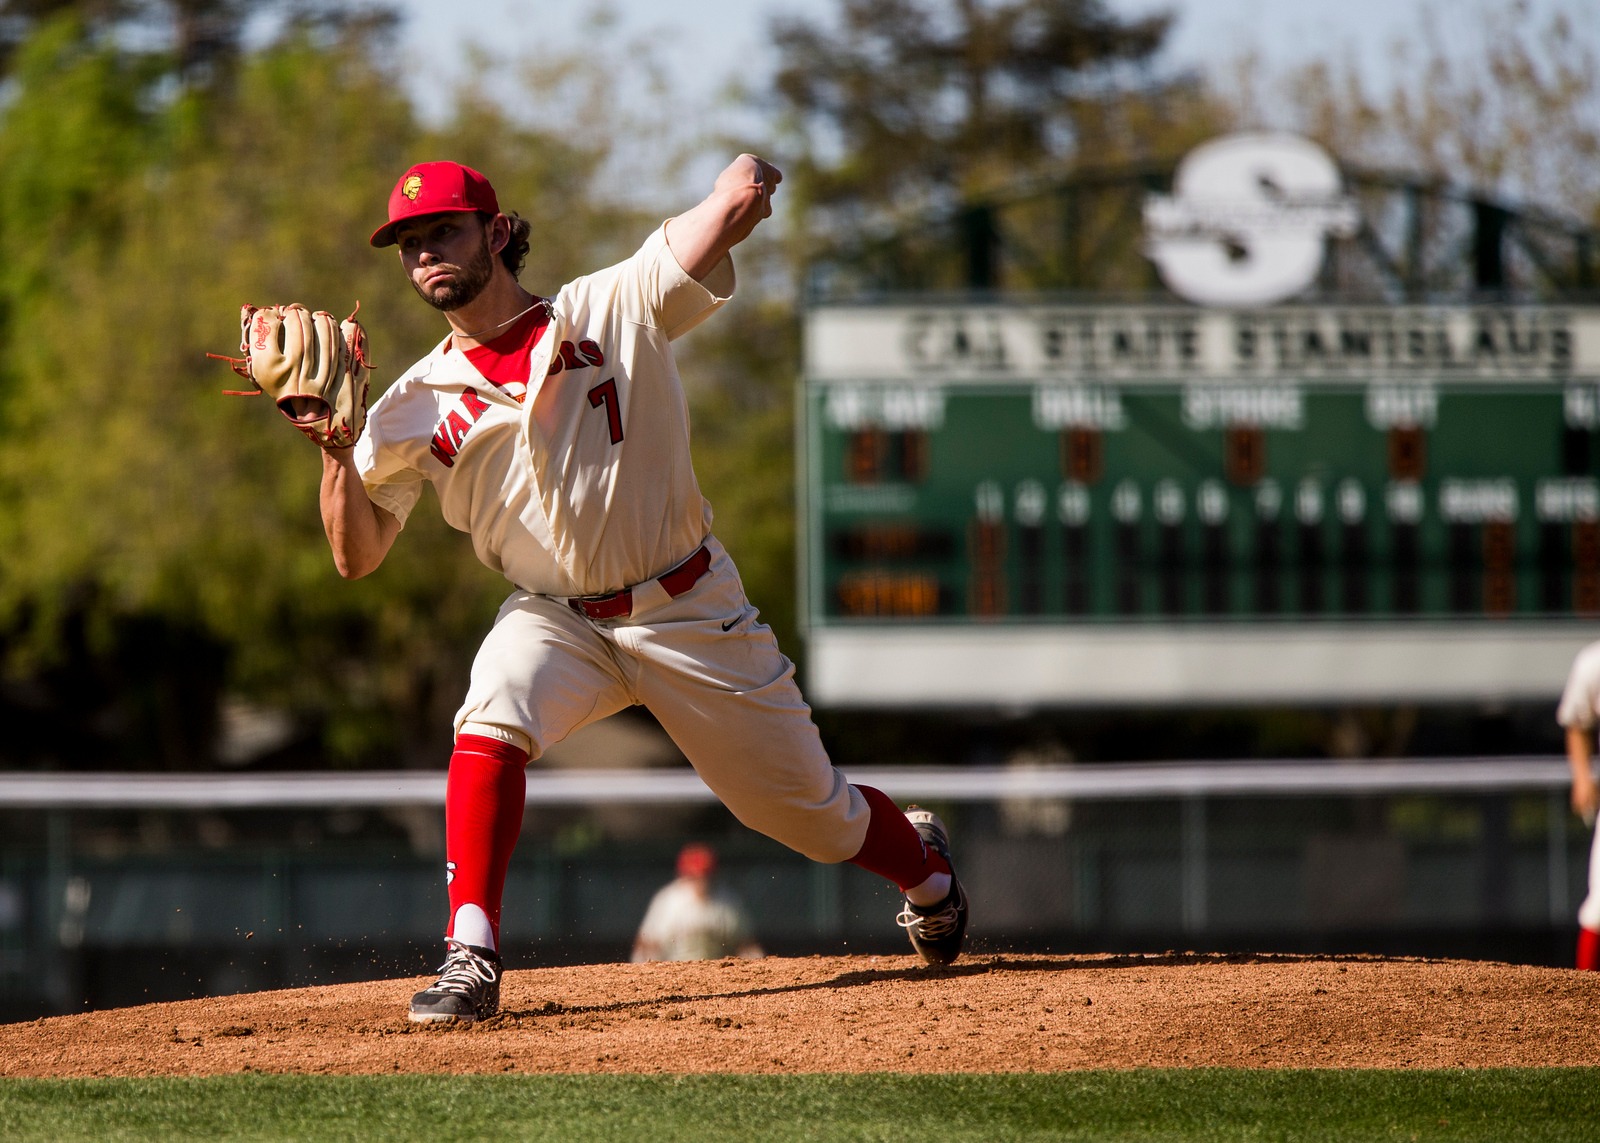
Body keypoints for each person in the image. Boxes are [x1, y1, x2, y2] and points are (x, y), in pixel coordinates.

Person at [321, 153, 968, 1023]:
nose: (426, 252)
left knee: (812, 817)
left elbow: (720, 216)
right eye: (408, 242)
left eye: (444, 229)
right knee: (491, 706)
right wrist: (333, 450)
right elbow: (356, 555)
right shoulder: (408, 403)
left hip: (688, 607)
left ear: (499, 232)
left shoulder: (610, 304)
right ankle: (470, 952)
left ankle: (924, 868)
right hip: (556, 618)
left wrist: (743, 182)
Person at [631, 842, 764, 963]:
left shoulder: (727, 900)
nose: (701, 881)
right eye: (695, 875)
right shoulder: (669, 900)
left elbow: (746, 945)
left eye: (706, 875)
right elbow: (647, 945)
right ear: (684, 875)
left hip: (720, 973)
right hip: (674, 974)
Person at [1556, 640, 1600, 971]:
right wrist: (1583, 777)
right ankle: (1584, 1001)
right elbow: (1577, 720)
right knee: (1599, 910)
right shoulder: (1594, 661)